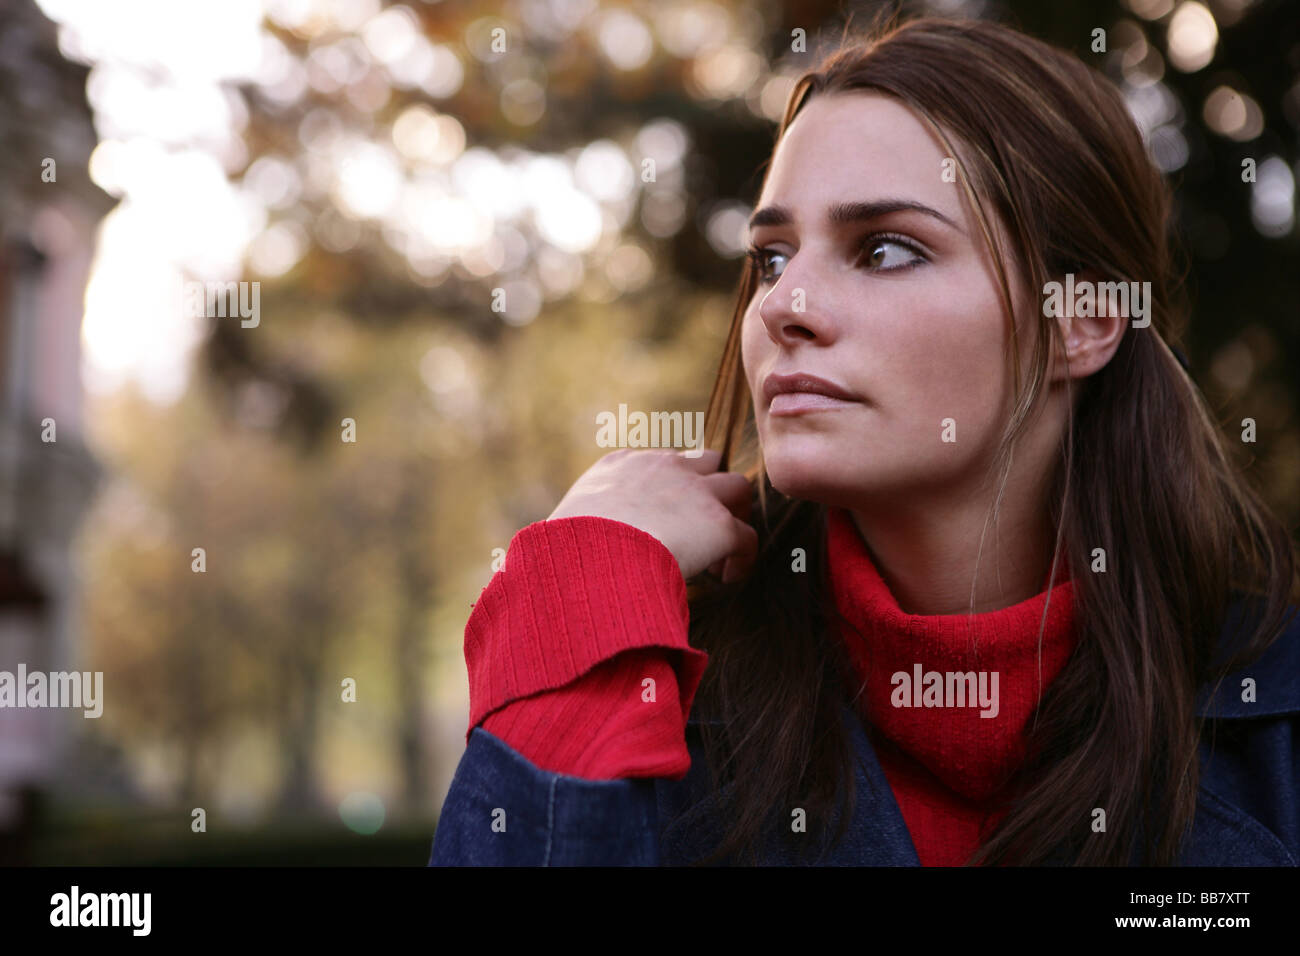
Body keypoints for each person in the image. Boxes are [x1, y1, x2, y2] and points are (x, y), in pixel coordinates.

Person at [429, 14, 1300, 866]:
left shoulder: (1274, 726)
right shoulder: (651, 699)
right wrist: (577, 597)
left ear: (1084, 318)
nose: (782, 306)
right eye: (771, 258)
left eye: (884, 249)